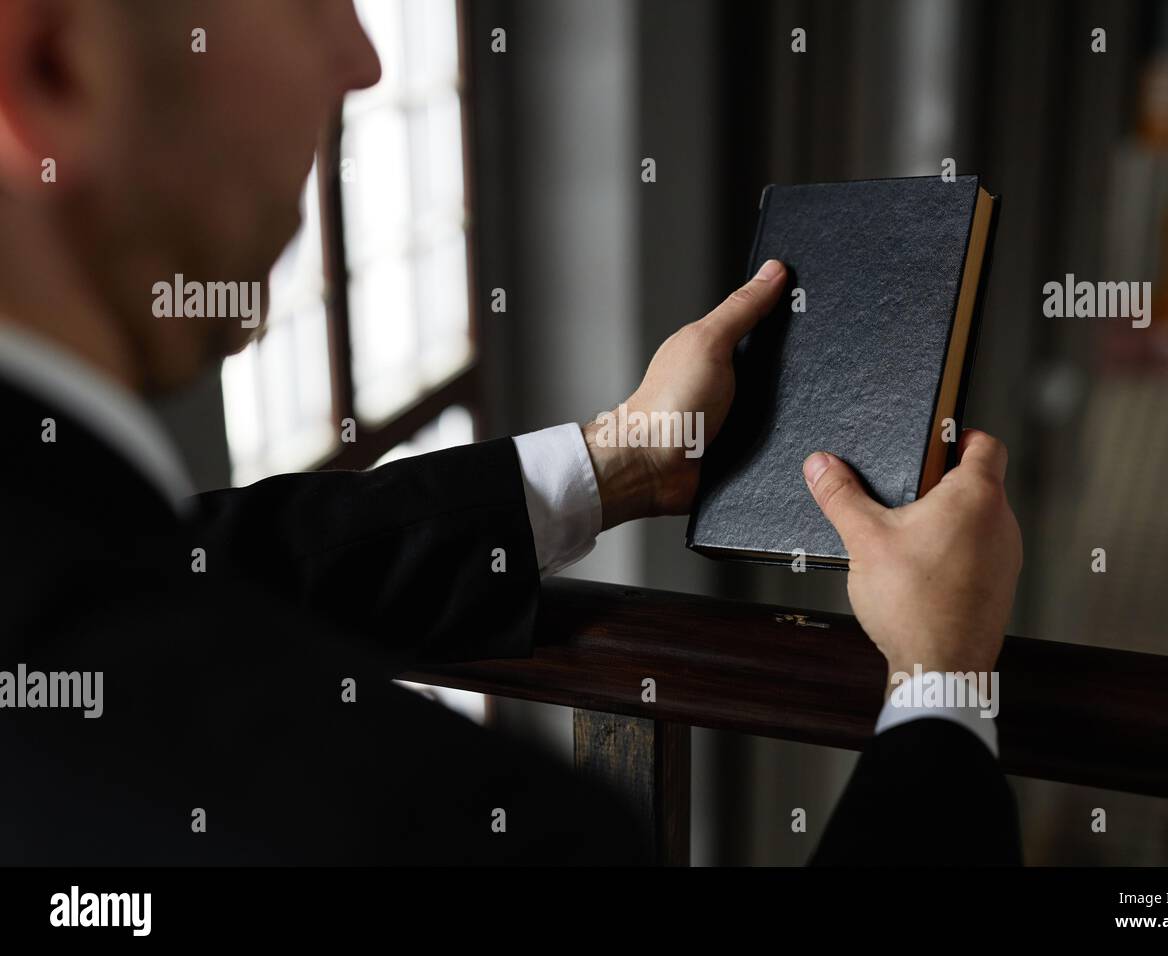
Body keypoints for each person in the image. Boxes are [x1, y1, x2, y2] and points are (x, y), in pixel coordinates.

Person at [0, 0, 1022, 864]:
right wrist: (942, 680)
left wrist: (612, 461)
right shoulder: (428, 827)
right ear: (48, 64)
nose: (362, 59)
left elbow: (215, 559)